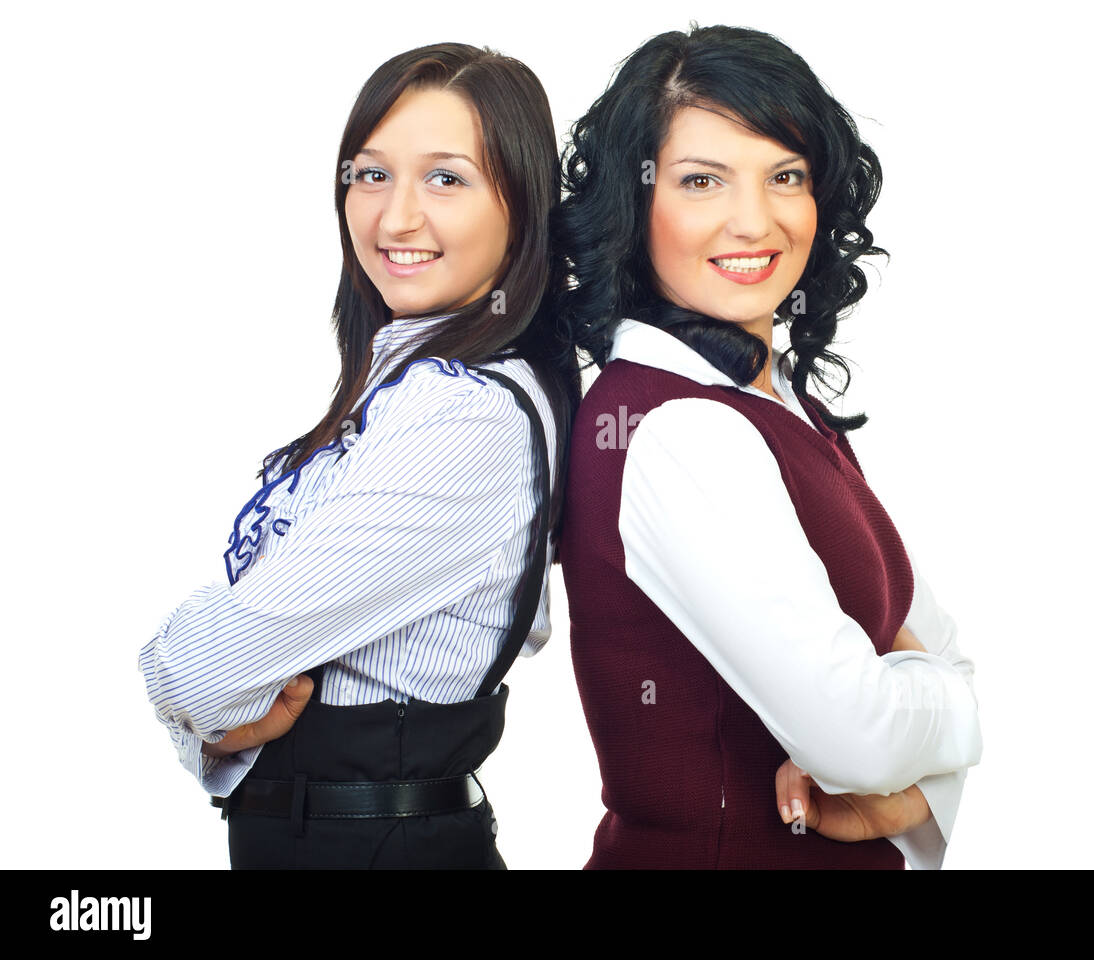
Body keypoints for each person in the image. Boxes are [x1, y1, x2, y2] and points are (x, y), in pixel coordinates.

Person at [138, 43, 580, 868]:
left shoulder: (465, 417)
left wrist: (180, 680)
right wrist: (210, 714)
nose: (395, 218)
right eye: (371, 175)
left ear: (521, 204)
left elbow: (208, 666)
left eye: (446, 178)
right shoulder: (411, 383)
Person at [555, 24, 983, 869]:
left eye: (785, 176)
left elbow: (927, 658)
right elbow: (860, 733)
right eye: (702, 181)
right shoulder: (677, 429)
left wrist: (902, 782)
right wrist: (960, 709)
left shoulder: (774, 400)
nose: (754, 220)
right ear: (633, 206)